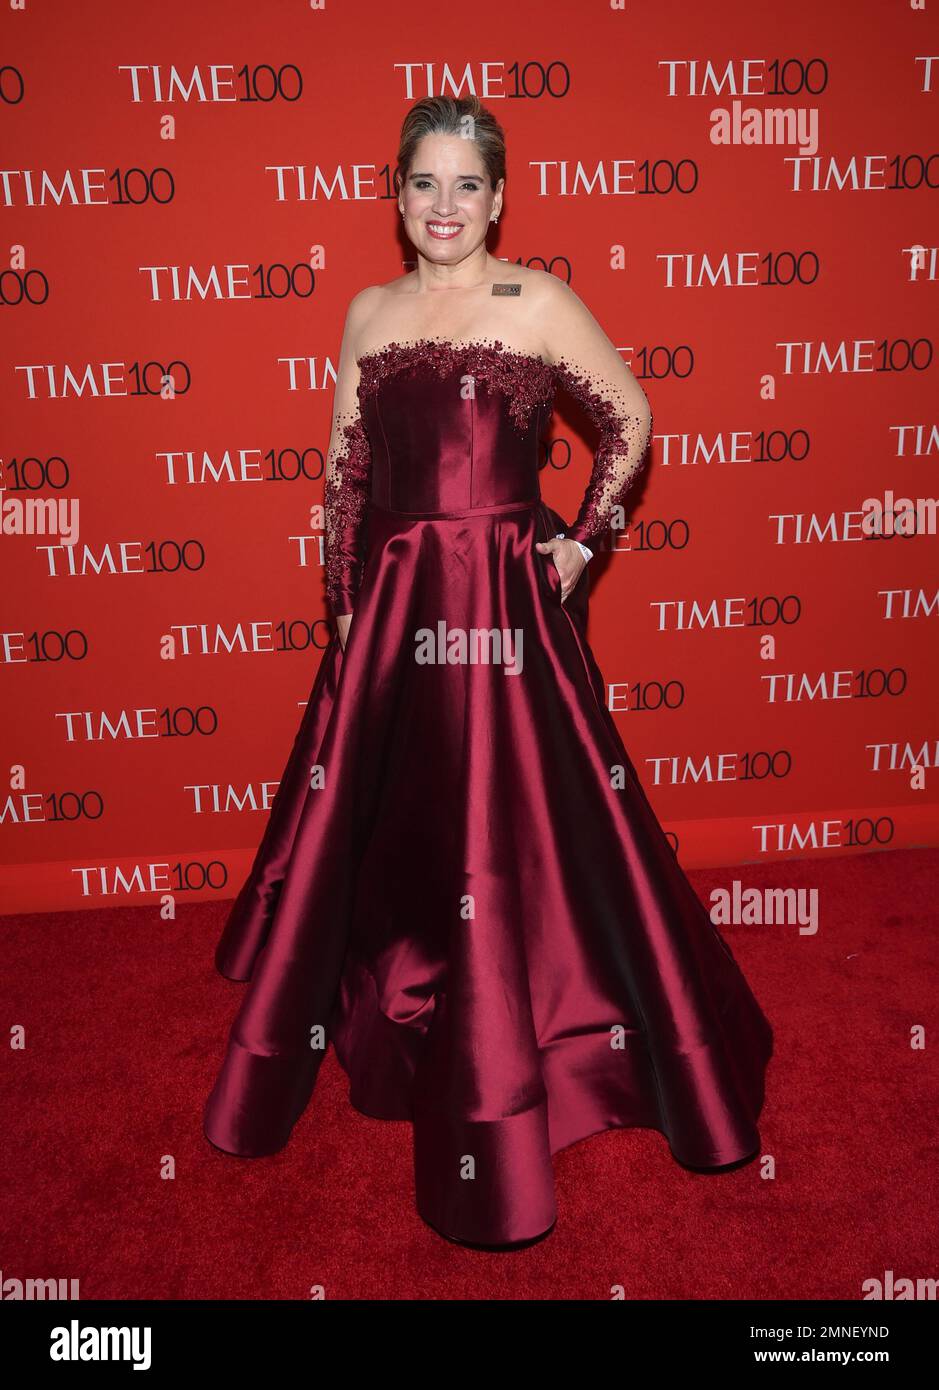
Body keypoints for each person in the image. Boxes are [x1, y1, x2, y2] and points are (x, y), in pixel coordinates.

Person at [203, 94, 773, 1249]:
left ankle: (560, 1018)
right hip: (399, 604)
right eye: (424, 183)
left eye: (469, 184)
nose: (446, 205)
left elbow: (632, 417)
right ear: (398, 194)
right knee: (406, 819)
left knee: (527, 824)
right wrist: (346, 607)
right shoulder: (370, 311)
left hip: (507, 605)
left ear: (500, 197)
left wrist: (578, 545)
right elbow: (343, 475)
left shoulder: (538, 302)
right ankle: (408, 996)